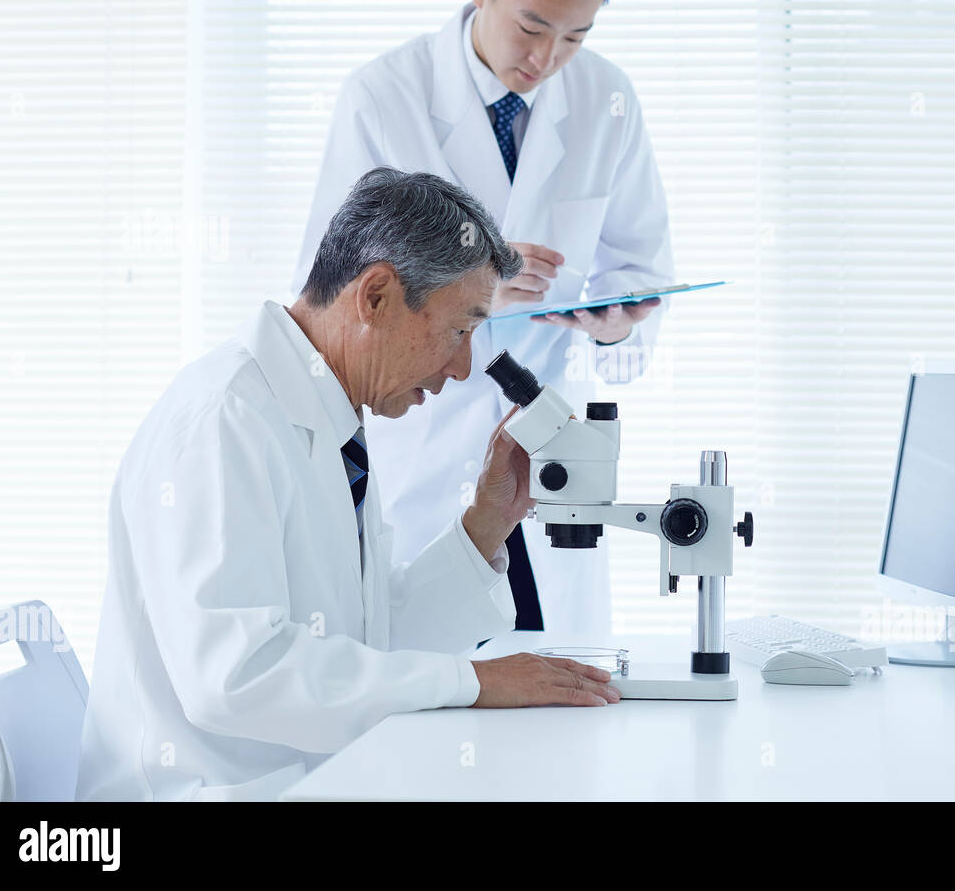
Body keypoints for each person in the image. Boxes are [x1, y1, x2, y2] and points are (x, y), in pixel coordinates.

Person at [77, 169, 620, 802]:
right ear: (377, 295)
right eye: (460, 329)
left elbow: (365, 643)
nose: (465, 366)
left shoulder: (328, 418)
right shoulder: (224, 421)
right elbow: (235, 676)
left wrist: (487, 522)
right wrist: (474, 681)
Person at [290, 0, 674, 637]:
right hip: (426, 456)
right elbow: (334, 289)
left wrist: (618, 323)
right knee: (431, 683)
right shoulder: (384, 96)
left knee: (558, 694)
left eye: (574, 37)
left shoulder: (606, 99)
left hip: (551, 452)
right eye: (532, 27)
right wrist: (468, 295)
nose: (546, 59)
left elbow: (642, 271)